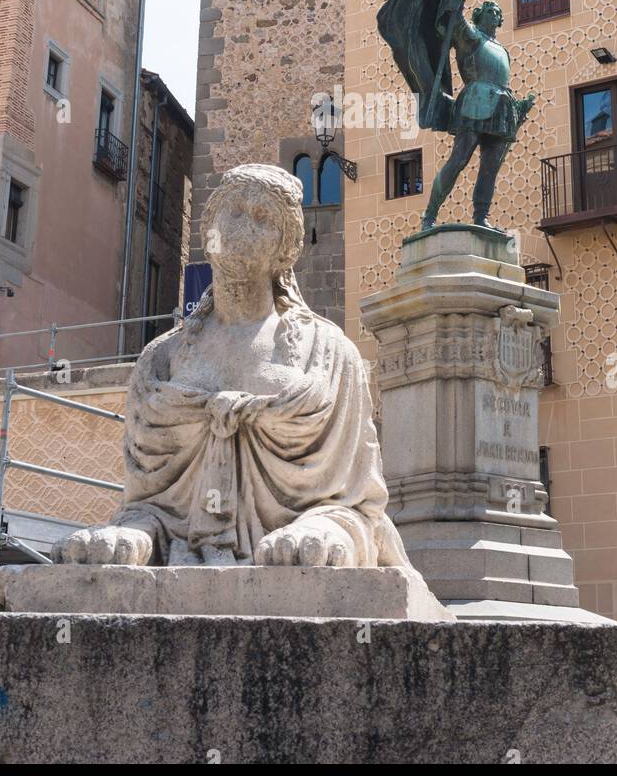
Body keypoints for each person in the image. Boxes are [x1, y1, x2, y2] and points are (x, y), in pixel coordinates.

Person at [53, 163, 409, 569]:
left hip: (316, 525)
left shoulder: (330, 357)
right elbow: (149, 498)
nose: (243, 229)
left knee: (321, 541)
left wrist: (330, 528)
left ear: (287, 248)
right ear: (209, 230)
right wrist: (140, 528)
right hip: (173, 539)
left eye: (263, 219)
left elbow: (358, 500)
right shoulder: (159, 361)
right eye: (234, 212)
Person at [421, 0, 535, 230]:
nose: (495, 15)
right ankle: (430, 215)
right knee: (459, 159)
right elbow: (456, 19)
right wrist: (454, 1)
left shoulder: (502, 49)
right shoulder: (471, 37)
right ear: (479, 16)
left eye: (498, 13)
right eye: (491, 11)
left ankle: (481, 216)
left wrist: (520, 106)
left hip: (502, 106)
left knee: (490, 167)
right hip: (474, 101)